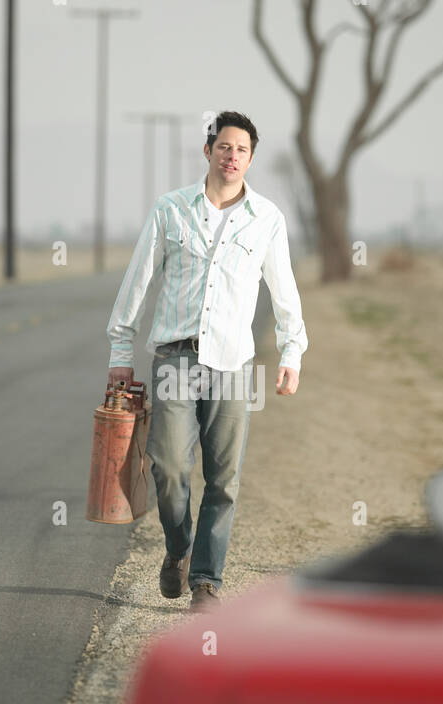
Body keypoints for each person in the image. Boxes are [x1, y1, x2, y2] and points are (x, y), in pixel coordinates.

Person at [106, 110, 308, 611]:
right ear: (208, 151)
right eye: (224, 146)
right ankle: (178, 547)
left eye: (241, 149)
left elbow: (284, 291)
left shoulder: (267, 220)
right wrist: (120, 349)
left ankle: (206, 581)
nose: (231, 155)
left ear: (251, 158)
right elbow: (139, 279)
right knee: (170, 467)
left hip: (234, 366)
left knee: (224, 479)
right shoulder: (171, 209)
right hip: (176, 359)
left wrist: (292, 351)